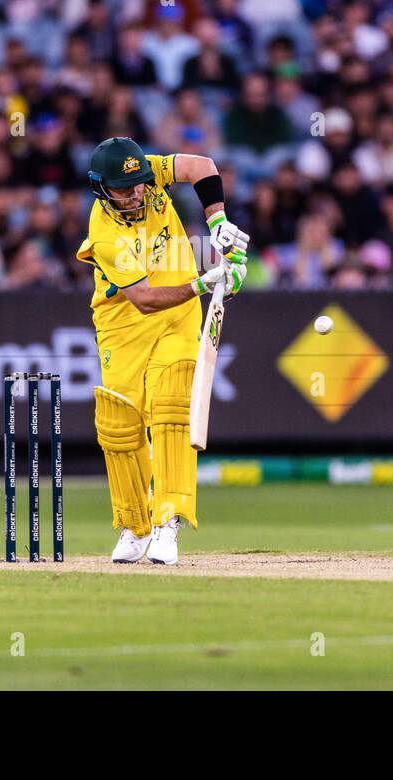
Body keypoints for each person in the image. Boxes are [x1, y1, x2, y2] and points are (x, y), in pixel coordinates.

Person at [76, 136, 249, 565]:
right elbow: (146, 299)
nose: (135, 193)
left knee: (172, 407)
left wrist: (217, 223)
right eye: (122, 189)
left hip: (178, 318)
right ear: (101, 188)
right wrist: (206, 282)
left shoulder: (146, 173)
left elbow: (201, 166)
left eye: (138, 184)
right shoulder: (104, 233)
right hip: (124, 324)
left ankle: (168, 521)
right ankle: (136, 527)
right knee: (120, 426)